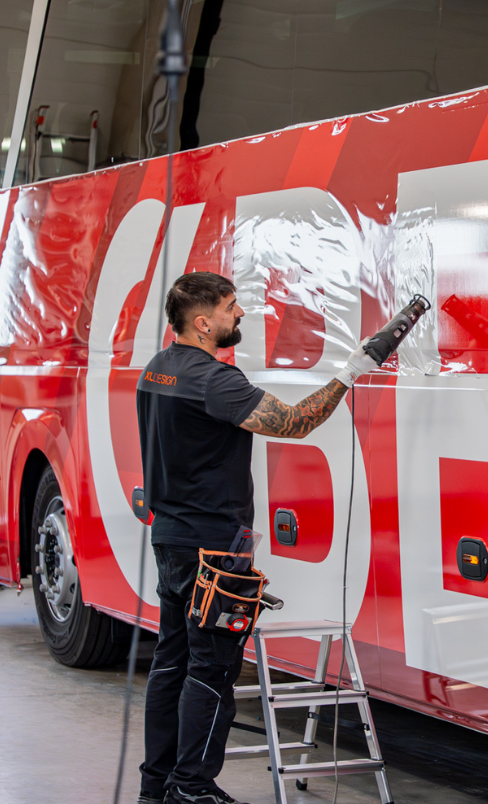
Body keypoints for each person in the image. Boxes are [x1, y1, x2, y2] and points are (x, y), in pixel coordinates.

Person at [135, 271, 388, 804]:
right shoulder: (214, 380)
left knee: (171, 663)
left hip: (172, 541)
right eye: (231, 308)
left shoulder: (157, 370)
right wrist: (351, 372)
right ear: (203, 323)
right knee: (212, 671)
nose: (240, 315)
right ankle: (193, 788)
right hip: (215, 550)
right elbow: (295, 424)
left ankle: (156, 786)